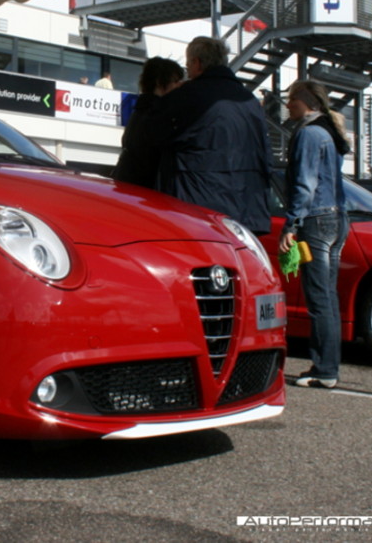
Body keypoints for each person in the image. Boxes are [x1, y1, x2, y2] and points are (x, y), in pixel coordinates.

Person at [148, 36, 273, 235]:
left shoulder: (187, 95)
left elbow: (151, 138)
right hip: (246, 210)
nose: (187, 72)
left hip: (196, 208)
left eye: (188, 64)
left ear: (197, 63)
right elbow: (265, 153)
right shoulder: (249, 101)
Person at [279, 80, 350, 388]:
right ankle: (328, 366)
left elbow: (304, 184)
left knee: (318, 298)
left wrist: (291, 224)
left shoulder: (308, 133)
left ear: (307, 100)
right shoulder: (329, 133)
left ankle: (324, 370)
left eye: (292, 98)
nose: (287, 104)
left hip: (316, 223)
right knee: (328, 298)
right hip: (337, 220)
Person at [111, 57, 184, 187]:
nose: (180, 86)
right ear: (160, 83)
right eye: (176, 81)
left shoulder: (140, 110)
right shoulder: (157, 114)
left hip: (126, 183)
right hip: (143, 190)